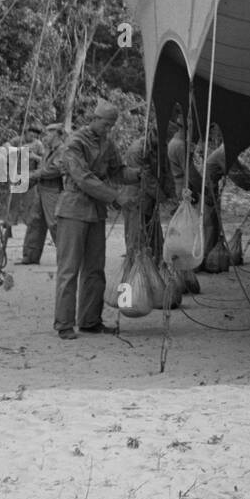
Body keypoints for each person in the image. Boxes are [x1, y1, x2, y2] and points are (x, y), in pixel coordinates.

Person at [52, 99, 134, 339]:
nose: (108, 129)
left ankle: (90, 320)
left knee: (95, 269)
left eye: (111, 125)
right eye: (106, 123)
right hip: (73, 210)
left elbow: (118, 172)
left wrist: (141, 173)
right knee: (69, 269)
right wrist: (115, 197)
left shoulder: (108, 144)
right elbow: (83, 178)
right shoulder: (75, 143)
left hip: (95, 212)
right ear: (94, 118)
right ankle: (64, 324)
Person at [195, 136, 250, 260]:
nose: (243, 150)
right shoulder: (224, 153)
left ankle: (212, 253)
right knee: (210, 224)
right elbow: (235, 175)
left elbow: (242, 168)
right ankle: (206, 256)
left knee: (215, 223)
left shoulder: (228, 151)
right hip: (206, 190)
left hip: (212, 189)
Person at [122, 118, 172, 263]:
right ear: (153, 134)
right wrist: (163, 198)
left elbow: (166, 173)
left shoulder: (162, 147)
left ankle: (154, 272)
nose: (164, 143)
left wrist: (172, 195)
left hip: (151, 199)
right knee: (136, 240)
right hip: (135, 199)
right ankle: (134, 274)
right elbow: (146, 178)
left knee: (154, 241)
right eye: (161, 139)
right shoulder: (137, 150)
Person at [19, 119, 68, 264]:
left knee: (55, 224)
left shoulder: (63, 150)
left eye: (49, 133)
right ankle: (30, 256)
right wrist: (26, 183)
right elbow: (41, 169)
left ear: (57, 134)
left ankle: (66, 258)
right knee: (34, 221)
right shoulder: (47, 150)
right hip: (41, 189)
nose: (45, 136)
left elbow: (55, 169)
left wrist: (35, 175)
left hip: (54, 191)